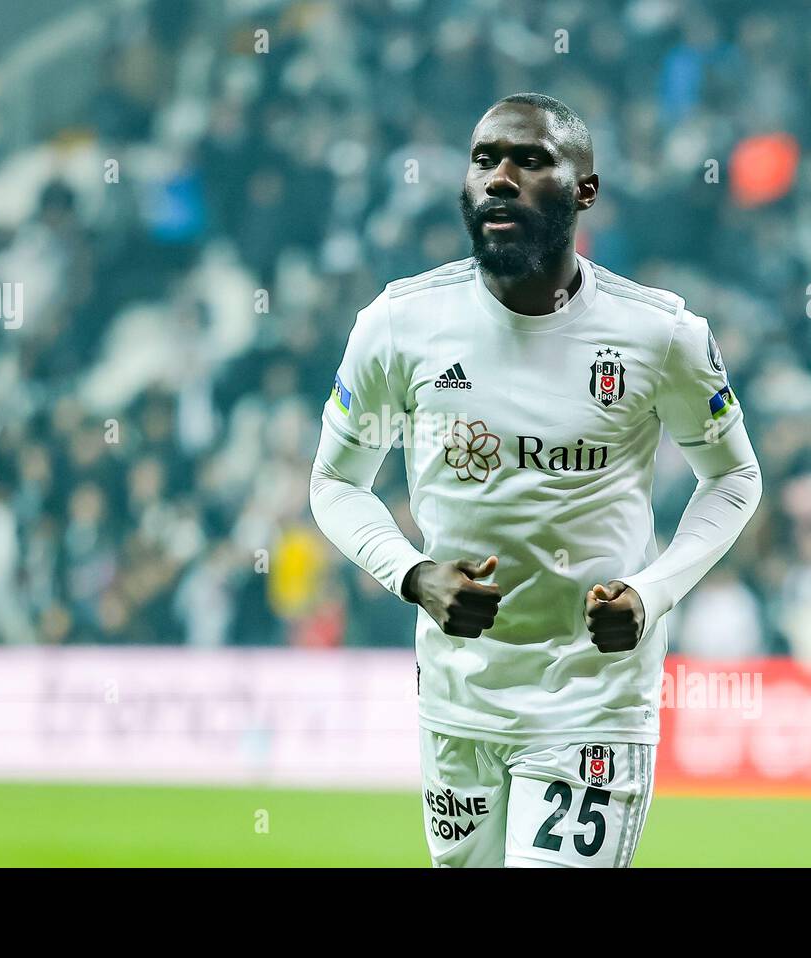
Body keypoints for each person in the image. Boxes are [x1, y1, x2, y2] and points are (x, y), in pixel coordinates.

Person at [309, 93, 761, 867]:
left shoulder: (660, 335)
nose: (501, 179)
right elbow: (335, 483)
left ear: (585, 188)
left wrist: (653, 594)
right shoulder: (398, 325)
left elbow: (733, 477)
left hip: (593, 702)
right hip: (458, 704)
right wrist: (414, 575)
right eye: (485, 160)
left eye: (531, 160)